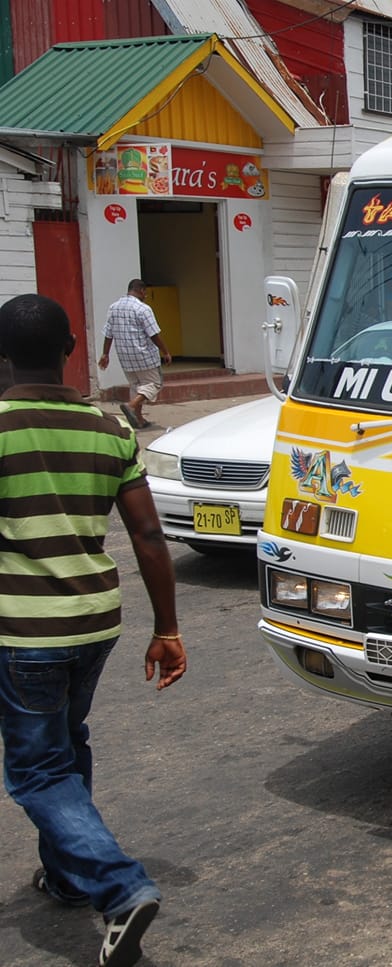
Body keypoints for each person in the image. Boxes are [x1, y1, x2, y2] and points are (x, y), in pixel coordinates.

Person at [0, 293, 187, 967]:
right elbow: (146, 531)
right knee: (64, 743)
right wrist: (166, 626)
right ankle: (66, 875)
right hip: (94, 624)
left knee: (35, 769)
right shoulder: (108, 427)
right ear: (72, 349)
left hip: (24, 631)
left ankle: (119, 885)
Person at [99, 279, 172, 430]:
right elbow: (154, 334)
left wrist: (105, 354)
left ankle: (139, 420)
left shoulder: (114, 307)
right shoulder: (143, 309)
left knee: (136, 386)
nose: (145, 296)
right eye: (145, 293)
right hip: (144, 355)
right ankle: (131, 405)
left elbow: (108, 333)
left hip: (125, 356)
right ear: (141, 291)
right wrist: (165, 351)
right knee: (154, 384)